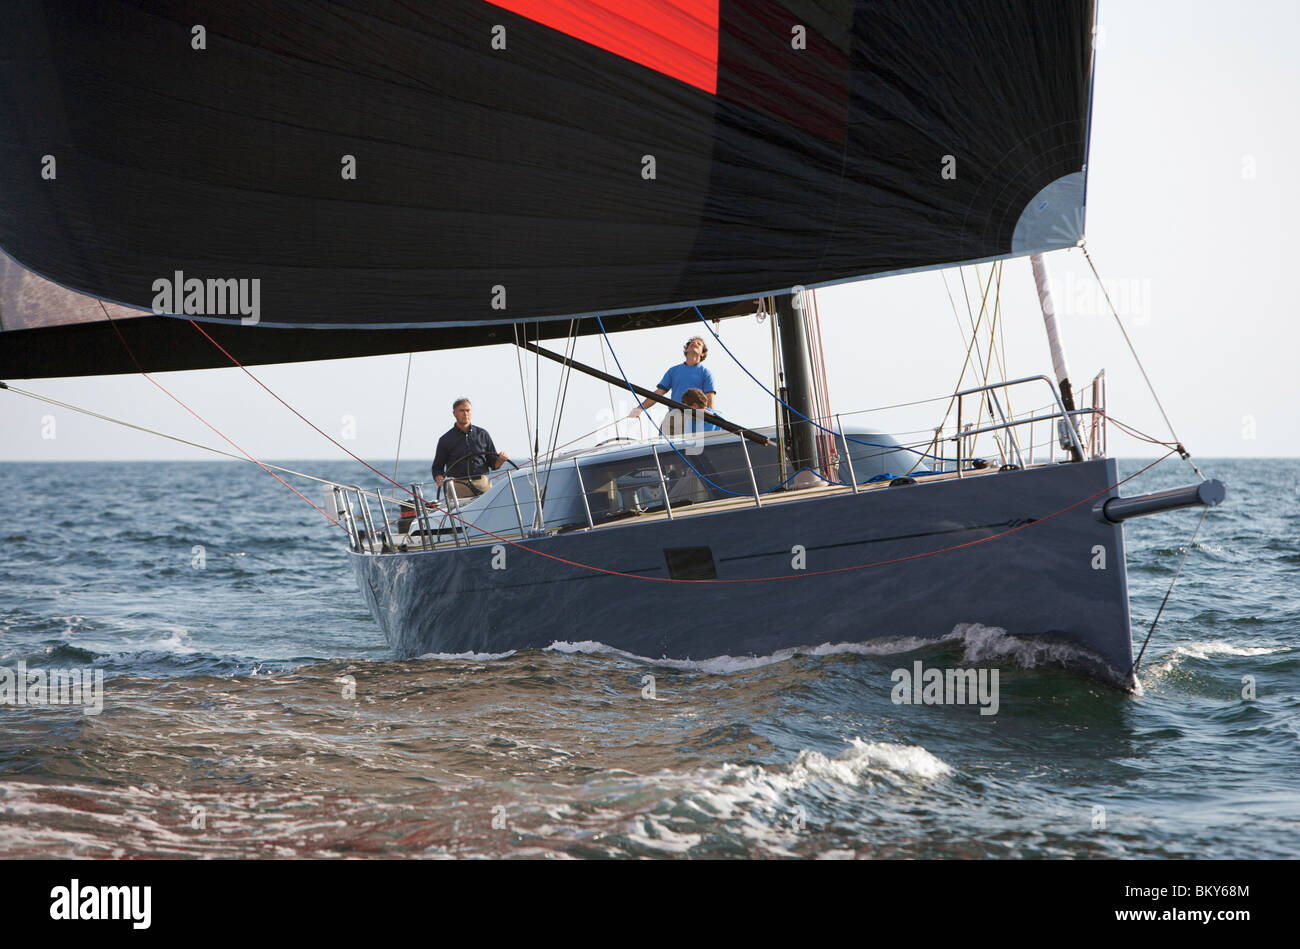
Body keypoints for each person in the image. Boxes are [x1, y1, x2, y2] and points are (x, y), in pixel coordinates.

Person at [431, 398, 509, 499]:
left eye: (468, 410)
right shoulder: (445, 439)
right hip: (458, 487)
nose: (465, 414)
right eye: (462, 411)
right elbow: (437, 467)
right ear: (454, 414)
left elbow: (493, 464)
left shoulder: (483, 434)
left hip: (482, 484)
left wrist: (501, 460)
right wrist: (439, 477)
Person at [629, 336, 716, 421]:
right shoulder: (673, 371)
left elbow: (710, 403)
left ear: (702, 354)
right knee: (664, 435)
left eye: (699, 344)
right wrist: (639, 408)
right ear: (686, 350)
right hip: (674, 416)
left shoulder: (706, 374)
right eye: (692, 343)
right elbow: (658, 394)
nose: (694, 343)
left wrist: (706, 422)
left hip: (695, 417)